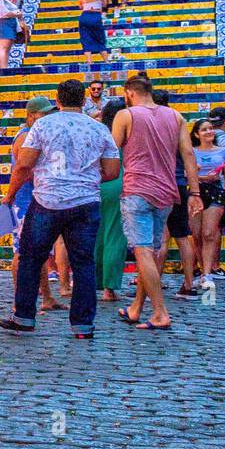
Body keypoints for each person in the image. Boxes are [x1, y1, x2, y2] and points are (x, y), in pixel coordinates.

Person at [0, 79, 120, 339]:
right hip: (86, 202)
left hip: (47, 200)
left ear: (58, 100)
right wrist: (84, 180)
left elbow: (23, 165)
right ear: (83, 99)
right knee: (84, 263)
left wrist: (10, 195)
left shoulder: (43, 125)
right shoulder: (99, 129)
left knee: (31, 258)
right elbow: (112, 171)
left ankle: (23, 317)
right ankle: (83, 325)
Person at [114, 74, 202, 331]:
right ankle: (136, 308)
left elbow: (110, 151)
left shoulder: (125, 115)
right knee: (149, 253)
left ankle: (160, 312)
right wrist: (195, 193)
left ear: (128, 92)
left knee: (142, 252)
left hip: (137, 190)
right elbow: (188, 155)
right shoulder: (176, 117)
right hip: (167, 192)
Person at [9, 95, 64, 312]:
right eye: (44, 114)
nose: (48, 117)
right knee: (22, 251)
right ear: (32, 116)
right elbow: (24, 170)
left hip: (35, 198)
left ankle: (47, 297)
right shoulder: (24, 137)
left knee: (38, 250)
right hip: (25, 200)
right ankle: (18, 301)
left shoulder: (33, 135)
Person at [190, 118, 225, 283]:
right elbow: (188, 175)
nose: (209, 132)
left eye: (210, 129)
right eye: (204, 129)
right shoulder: (191, 152)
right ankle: (203, 269)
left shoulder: (224, 152)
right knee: (196, 235)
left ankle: (208, 273)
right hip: (195, 192)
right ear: (196, 134)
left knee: (209, 233)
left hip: (216, 191)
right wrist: (202, 177)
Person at [96, 99, 130, 301]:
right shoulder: (127, 134)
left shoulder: (98, 132)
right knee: (115, 236)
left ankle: (93, 281)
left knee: (96, 235)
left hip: (97, 184)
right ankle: (109, 287)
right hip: (119, 182)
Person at [78, 0, 108, 67]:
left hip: (84, 16)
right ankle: (106, 60)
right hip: (95, 16)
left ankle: (89, 61)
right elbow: (105, 4)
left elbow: (80, 7)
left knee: (85, 38)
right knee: (99, 37)